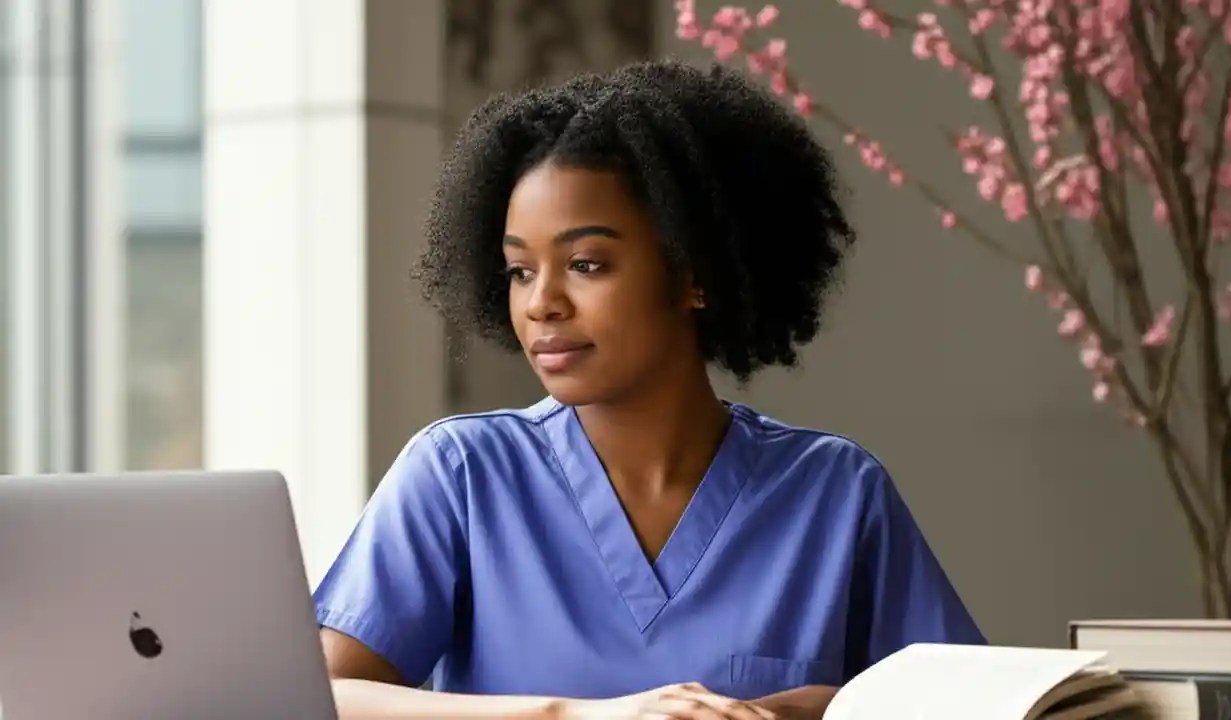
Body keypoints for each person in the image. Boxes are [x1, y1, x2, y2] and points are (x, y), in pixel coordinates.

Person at [312, 59, 985, 720]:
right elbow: (318, 698)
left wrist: (815, 708)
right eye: (519, 270)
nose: (541, 303)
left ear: (695, 272)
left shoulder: (834, 493)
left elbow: (969, 703)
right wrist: (570, 716)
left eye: (585, 264)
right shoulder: (462, 475)